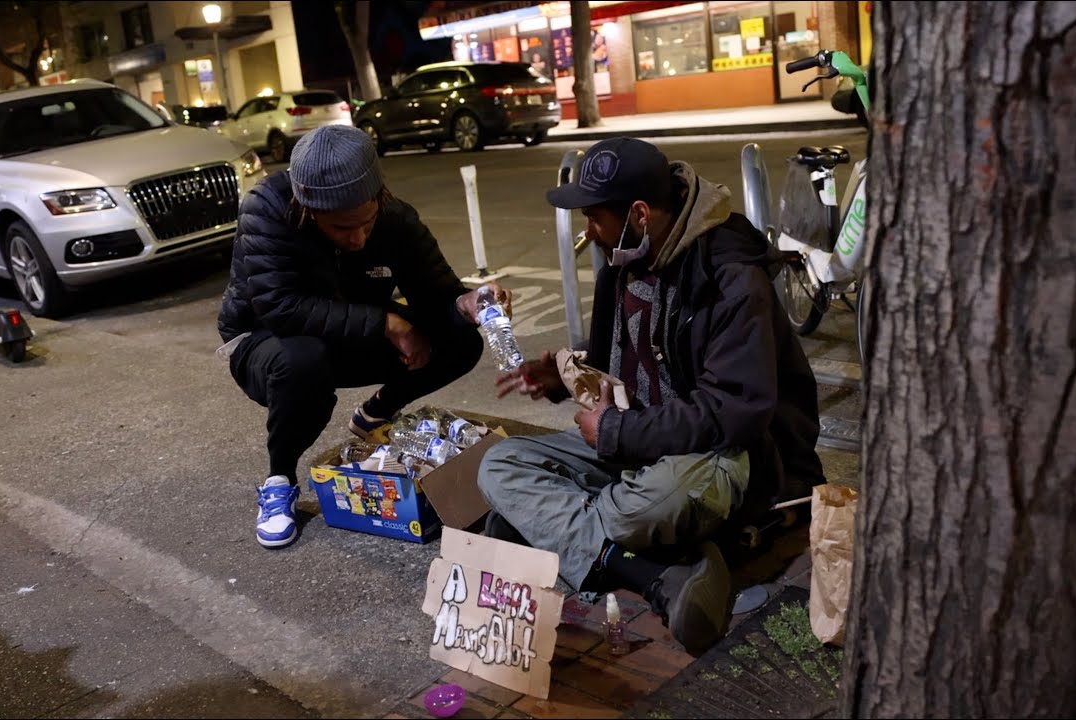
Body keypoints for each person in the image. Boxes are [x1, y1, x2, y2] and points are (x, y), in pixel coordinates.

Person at [477, 137, 824, 655]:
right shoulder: (626, 257)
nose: (587, 232)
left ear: (639, 213)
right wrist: (559, 376)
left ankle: (571, 533)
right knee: (498, 466)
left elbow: (735, 410)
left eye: (594, 217)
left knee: (627, 515)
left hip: (733, 454)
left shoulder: (729, 276)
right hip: (641, 446)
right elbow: (622, 364)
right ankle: (657, 572)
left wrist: (617, 432)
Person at [217, 125, 511, 549]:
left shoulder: (396, 219)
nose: (356, 238)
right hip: (265, 338)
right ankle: (278, 479)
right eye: (339, 228)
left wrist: (468, 304)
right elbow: (280, 307)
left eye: (366, 223)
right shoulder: (266, 209)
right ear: (307, 208)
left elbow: (437, 295)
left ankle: (375, 414)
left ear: (380, 197)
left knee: (460, 341)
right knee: (303, 362)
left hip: (347, 327)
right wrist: (388, 323)